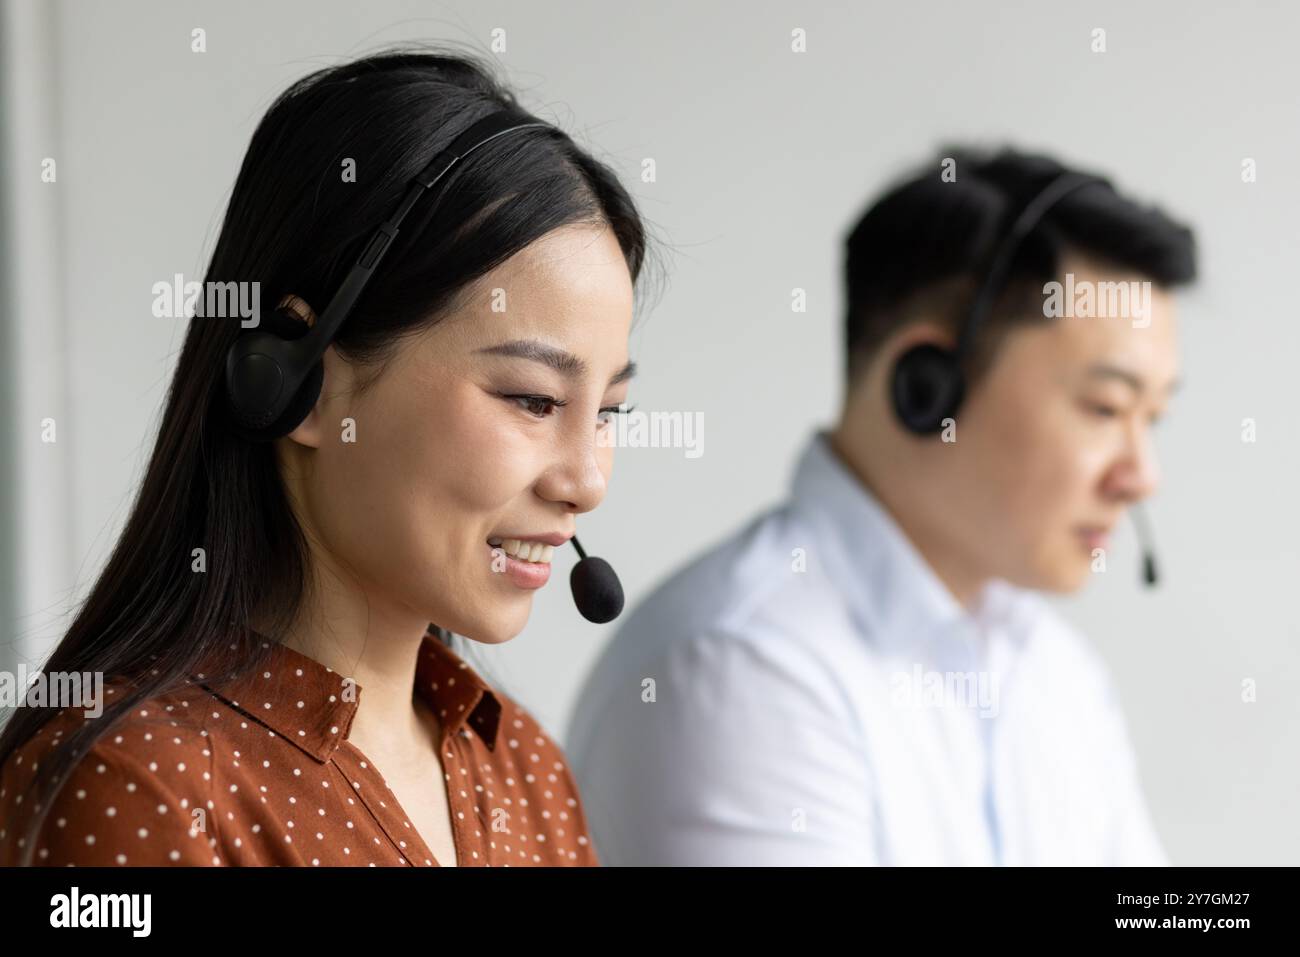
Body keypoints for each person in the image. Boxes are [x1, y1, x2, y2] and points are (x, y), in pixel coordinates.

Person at [0, 45, 653, 867]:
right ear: (298, 378)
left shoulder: (522, 768)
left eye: (611, 412)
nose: (586, 482)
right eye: (534, 400)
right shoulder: (139, 787)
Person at [566, 147, 1196, 866]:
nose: (1142, 475)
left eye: (1154, 417)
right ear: (928, 386)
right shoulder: (741, 671)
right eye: (1106, 407)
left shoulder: (1055, 669)